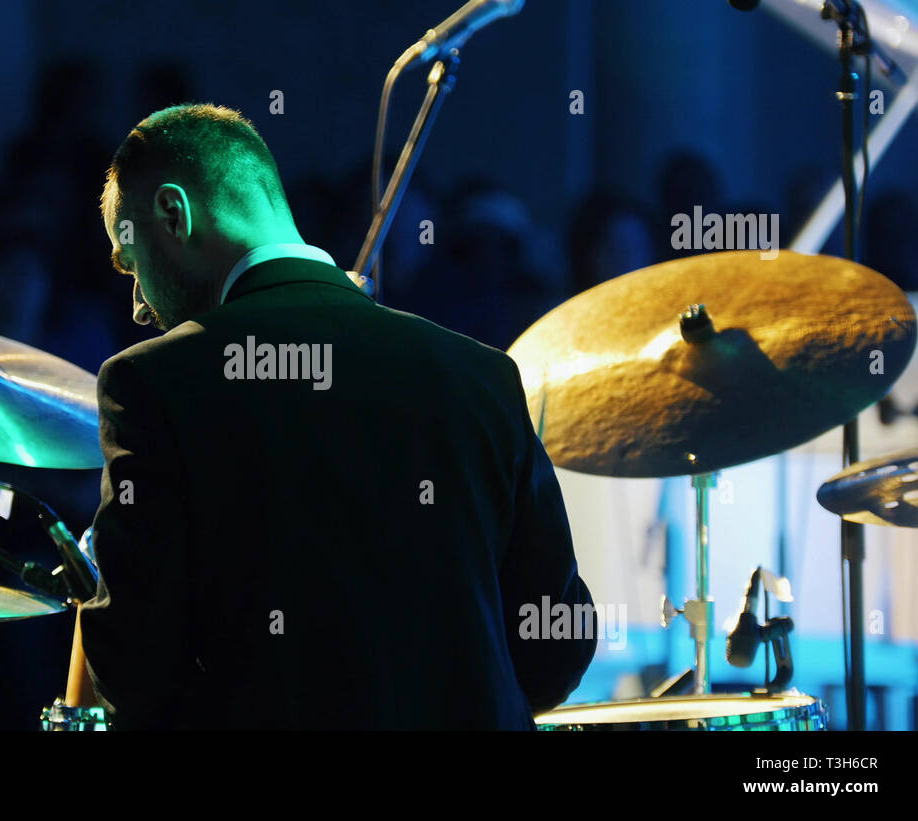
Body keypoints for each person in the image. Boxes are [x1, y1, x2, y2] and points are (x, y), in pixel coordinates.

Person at [78, 103, 595, 730]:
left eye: (131, 264)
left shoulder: (152, 382)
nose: (137, 304)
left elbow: (138, 669)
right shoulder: (483, 375)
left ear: (171, 213)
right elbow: (554, 646)